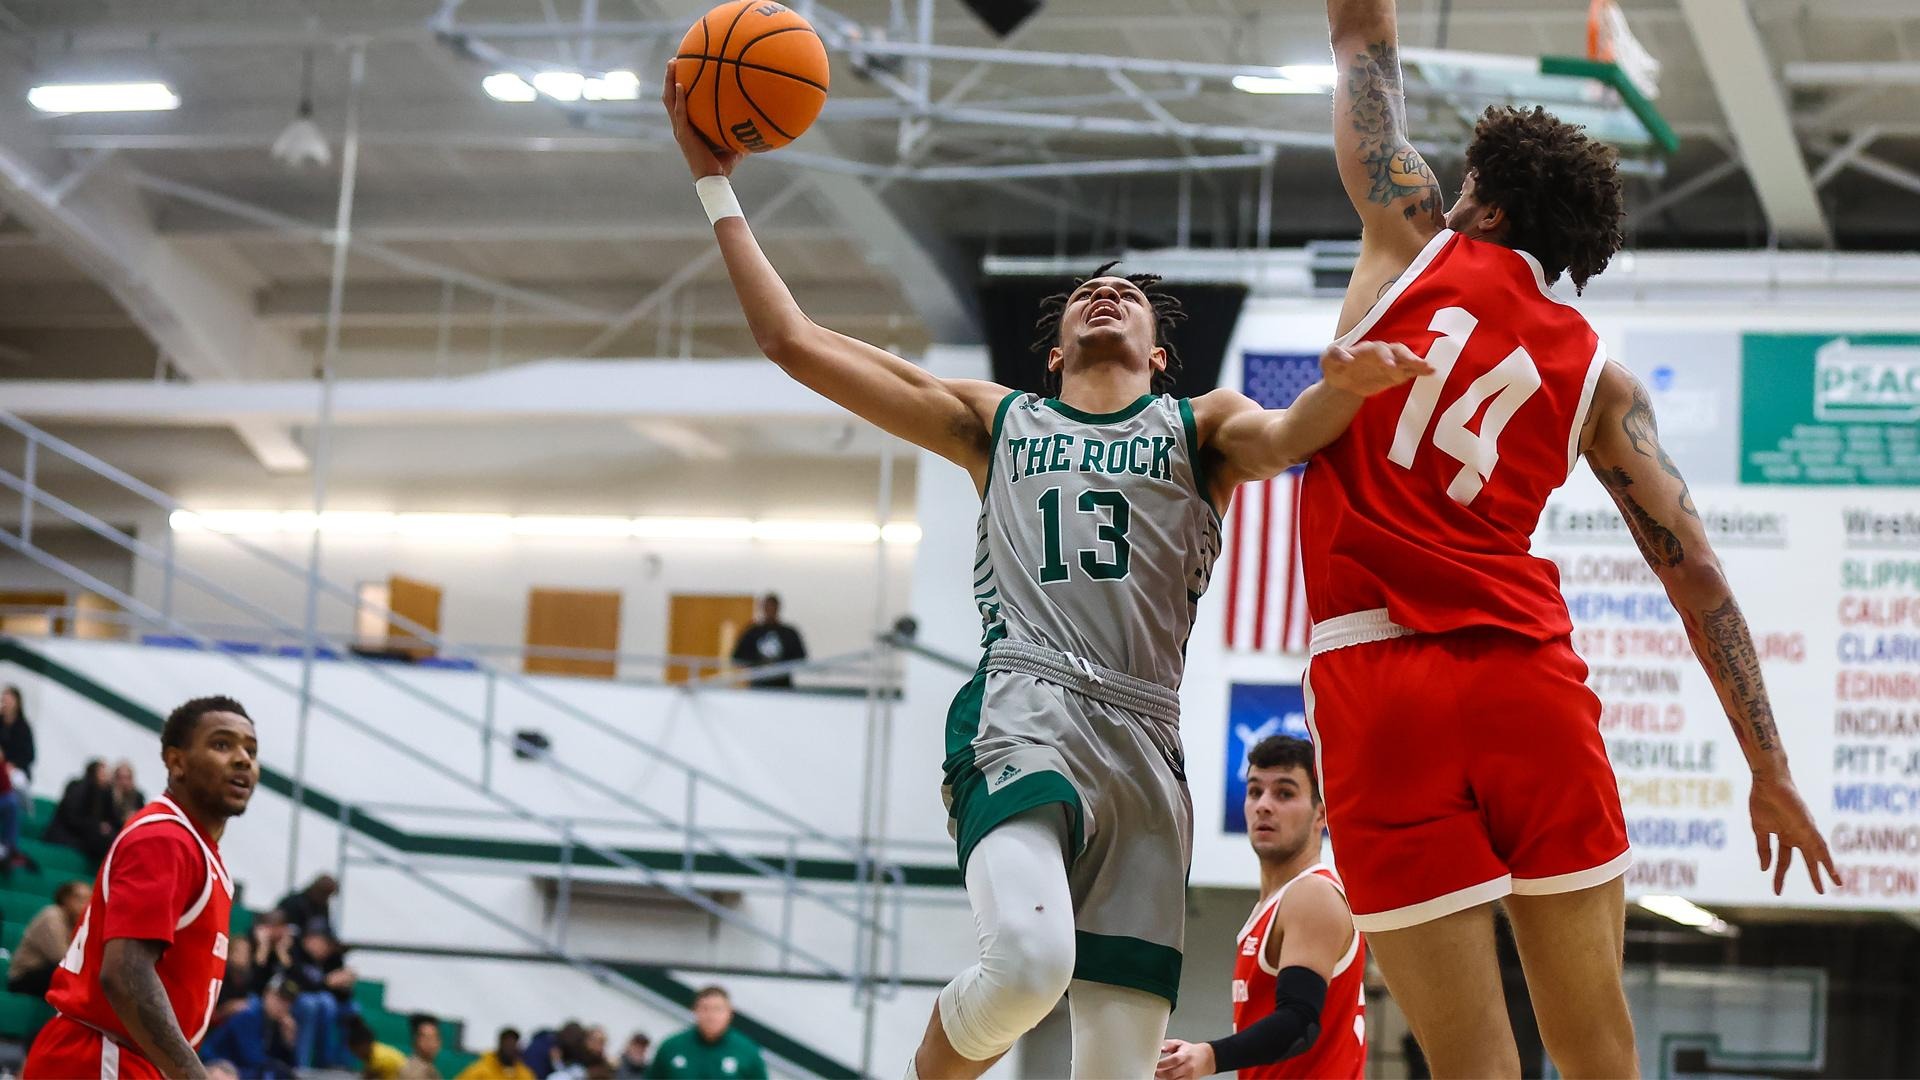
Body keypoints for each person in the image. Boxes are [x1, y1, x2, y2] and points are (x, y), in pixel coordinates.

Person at [663, 69, 1429, 1080]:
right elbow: (792, 340)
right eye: (1086, 294)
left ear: (1160, 356)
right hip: (1025, 704)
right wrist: (715, 184)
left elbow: (1290, 437)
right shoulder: (998, 421)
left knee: (1114, 1067)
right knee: (1027, 964)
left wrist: (1344, 389)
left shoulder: (1200, 424)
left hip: (1148, 748)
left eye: (1131, 298)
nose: (1106, 294)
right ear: (1059, 343)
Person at [1304, 3, 1842, 1076]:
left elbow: (1364, 38)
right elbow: (1701, 582)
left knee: (1470, 1066)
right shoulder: (1603, 381)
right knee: (1599, 1053)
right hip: (1524, 684)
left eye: (1462, 189)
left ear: (1484, 200)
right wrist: (1770, 770)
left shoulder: (1406, 242)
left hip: (1376, 682)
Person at [24, 695, 259, 1079]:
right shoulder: (166, 838)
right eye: (222, 744)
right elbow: (125, 975)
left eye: (251, 750)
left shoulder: (197, 849)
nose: (242, 759)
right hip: (102, 1057)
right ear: (176, 760)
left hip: (129, 1058)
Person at [1157, 737, 1365, 1079]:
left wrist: (1208, 1056)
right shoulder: (1273, 905)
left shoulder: (1312, 894)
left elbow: (1299, 1023)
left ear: (1321, 813)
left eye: (1284, 793)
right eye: (1255, 791)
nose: (1264, 805)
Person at [644, 987, 766, 1080]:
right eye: (705, 1008)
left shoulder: (747, 1052)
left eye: (718, 1009)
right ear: (695, 1011)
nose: (711, 1016)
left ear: (730, 1013)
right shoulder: (671, 1047)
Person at [198, 977, 299, 1080]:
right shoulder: (248, 1015)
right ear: (267, 994)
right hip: (214, 1064)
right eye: (279, 999)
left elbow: (292, 1067)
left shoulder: (280, 1025)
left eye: (287, 1002)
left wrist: (289, 1044)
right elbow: (253, 1059)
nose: (282, 1005)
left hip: (241, 1069)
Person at [286, 928, 357, 1068]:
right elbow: (297, 984)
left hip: (323, 1003)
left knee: (351, 1008)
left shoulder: (331, 959)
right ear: (310, 939)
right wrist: (326, 982)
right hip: (294, 1002)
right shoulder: (296, 953)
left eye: (330, 945)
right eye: (325, 943)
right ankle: (302, 1065)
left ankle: (339, 1062)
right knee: (314, 1004)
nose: (327, 949)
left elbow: (342, 996)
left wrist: (346, 985)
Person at [6, 881, 91, 998]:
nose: (85, 905)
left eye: (89, 901)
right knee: (70, 973)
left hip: (46, 974)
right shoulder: (52, 915)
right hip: (24, 977)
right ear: (66, 899)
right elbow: (60, 957)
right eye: (81, 899)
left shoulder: (77, 923)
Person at [43, 758, 114, 864]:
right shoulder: (78, 787)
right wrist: (97, 826)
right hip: (65, 835)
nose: (108, 777)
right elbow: (72, 818)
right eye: (104, 772)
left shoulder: (104, 794)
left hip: (81, 835)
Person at [728, 594, 807, 688]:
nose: (770, 610)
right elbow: (737, 656)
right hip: (758, 684)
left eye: (772, 607)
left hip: (783, 685)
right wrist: (757, 663)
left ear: (778, 608)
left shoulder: (789, 633)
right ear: (762, 608)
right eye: (767, 607)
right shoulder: (752, 632)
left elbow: (800, 657)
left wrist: (781, 665)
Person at [457, 1028, 536, 1080]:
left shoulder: (524, 1074)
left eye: (513, 1042)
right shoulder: (481, 1070)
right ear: (500, 1043)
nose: (510, 1046)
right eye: (506, 1042)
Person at [275, 873, 338, 939]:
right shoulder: (292, 903)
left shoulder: (322, 907)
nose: (326, 898)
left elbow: (327, 931)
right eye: (325, 893)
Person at [399, 1012, 444, 1079]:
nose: (430, 1043)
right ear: (415, 1040)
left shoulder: (431, 1070)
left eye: (434, 1038)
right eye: (426, 1038)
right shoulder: (411, 1072)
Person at [108, 760, 148, 831]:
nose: (124, 782)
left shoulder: (138, 796)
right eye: (121, 778)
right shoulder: (108, 795)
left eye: (127, 778)